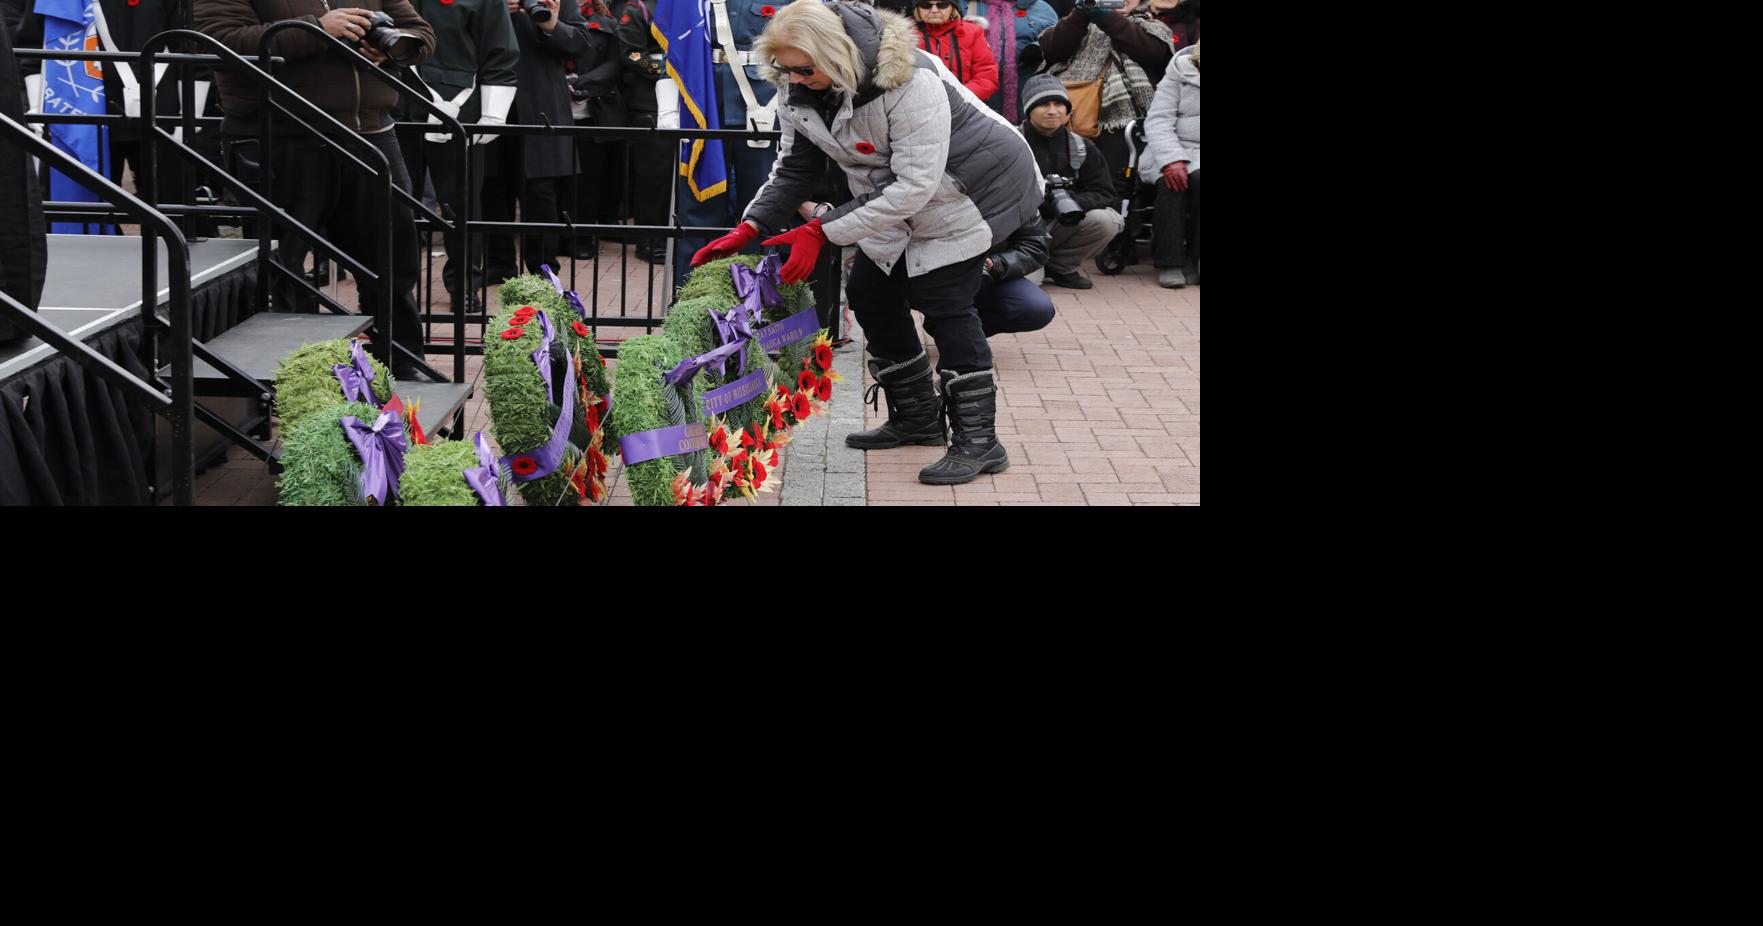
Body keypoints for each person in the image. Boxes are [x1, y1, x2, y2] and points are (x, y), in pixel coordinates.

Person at [691, 1, 1041, 486]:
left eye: (804, 68)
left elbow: (916, 185)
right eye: (783, 67)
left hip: (973, 190)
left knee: (944, 305)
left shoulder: (910, 80)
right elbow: (795, 168)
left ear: (835, 56)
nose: (793, 77)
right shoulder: (798, 87)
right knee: (872, 296)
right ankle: (918, 418)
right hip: (897, 192)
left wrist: (821, 231)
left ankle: (981, 442)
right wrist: (750, 227)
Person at [196, 0, 436, 378]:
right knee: (282, 266)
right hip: (281, 134)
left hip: (371, 134)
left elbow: (420, 31)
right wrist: (316, 29)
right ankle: (291, 378)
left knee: (393, 259)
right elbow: (217, 43)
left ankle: (402, 360)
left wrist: (391, 48)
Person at [396, 0, 518, 314]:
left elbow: (499, 47)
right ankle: (393, 285)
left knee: (460, 207)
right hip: (395, 105)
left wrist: (493, 114)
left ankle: (464, 284)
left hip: (458, 109)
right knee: (393, 205)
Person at [667, 0, 799, 287]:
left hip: (764, 103)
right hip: (706, 102)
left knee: (760, 207)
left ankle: (759, 302)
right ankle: (691, 301)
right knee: (698, 211)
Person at [481, 0, 590, 282]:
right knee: (490, 186)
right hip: (489, 100)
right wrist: (496, 12)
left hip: (541, 104)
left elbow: (580, 44)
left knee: (540, 191)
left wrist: (550, 23)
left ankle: (543, 269)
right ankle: (498, 263)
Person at [1036, 0, 1170, 199]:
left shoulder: (1152, 26)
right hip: (1064, 111)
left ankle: (1111, 223)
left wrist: (1104, 16)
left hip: (1118, 118)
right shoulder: (1075, 23)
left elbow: (1150, 52)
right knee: (1058, 176)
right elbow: (1052, 49)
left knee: (1110, 182)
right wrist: (1081, 13)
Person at [1016, 74, 1119, 289]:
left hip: (1060, 223)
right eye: (1044, 104)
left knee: (1108, 220)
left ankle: (1060, 266)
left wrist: (1071, 202)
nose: (1053, 110)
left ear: (1067, 110)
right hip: (1020, 230)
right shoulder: (1011, 143)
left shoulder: (1082, 147)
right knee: (1028, 284)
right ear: (1028, 110)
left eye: (1059, 104)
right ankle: (1032, 264)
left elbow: (1104, 191)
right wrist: (1039, 199)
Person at [565, 1, 626, 257]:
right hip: (551, 107)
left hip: (593, 111)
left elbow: (614, 64)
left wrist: (581, 85)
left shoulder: (607, 23)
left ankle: (582, 238)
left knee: (589, 181)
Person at [614, 0, 669, 263]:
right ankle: (649, 240)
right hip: (650, 102)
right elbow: (632, 54)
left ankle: (669, 237)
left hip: (684, 101)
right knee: (652, 177)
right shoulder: (639, 8)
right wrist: (666, 72)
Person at [1139, 37, 1196, 287]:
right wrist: (1172, 159)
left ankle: (1195, 259)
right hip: (1171, 145)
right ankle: (1169, 262)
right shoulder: (1181, 68)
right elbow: (1158, 119)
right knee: (1172, 183)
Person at [963, 0, 1056, 120]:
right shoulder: (966, 5)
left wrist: (1038, 47)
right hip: (976, 93)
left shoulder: (1041, 8)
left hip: (1026, 89)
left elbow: (1056, 40)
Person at [975, 218, 1054, 336]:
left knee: (1036, 308)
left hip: (989, 273)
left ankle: (961, 335)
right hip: (943, 274)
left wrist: (997, 264)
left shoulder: (1020, 200)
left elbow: (1035, 245)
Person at [909, 0, 995, 104]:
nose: (934, 10)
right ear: (917, 9)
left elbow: (986, 76)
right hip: (921, 108)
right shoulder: (904, 35)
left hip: (965, 107)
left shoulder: (973, 32)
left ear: (953, 8)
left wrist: (959, 97)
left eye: (942, 5)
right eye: (926, 5)